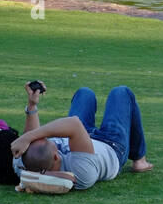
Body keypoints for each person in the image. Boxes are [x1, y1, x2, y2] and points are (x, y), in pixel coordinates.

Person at [11, 81, 152, 191]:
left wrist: (32, 105)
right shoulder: (82, 172)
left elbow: (33, 143)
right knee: (121, 92)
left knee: (84, 93)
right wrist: (26, 138)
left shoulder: (22, 163)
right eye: (49, 141)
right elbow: (74, 124)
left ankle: (140, 159)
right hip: (110, 145)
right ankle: (140, 160)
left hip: (78, 136)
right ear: (56, 156)